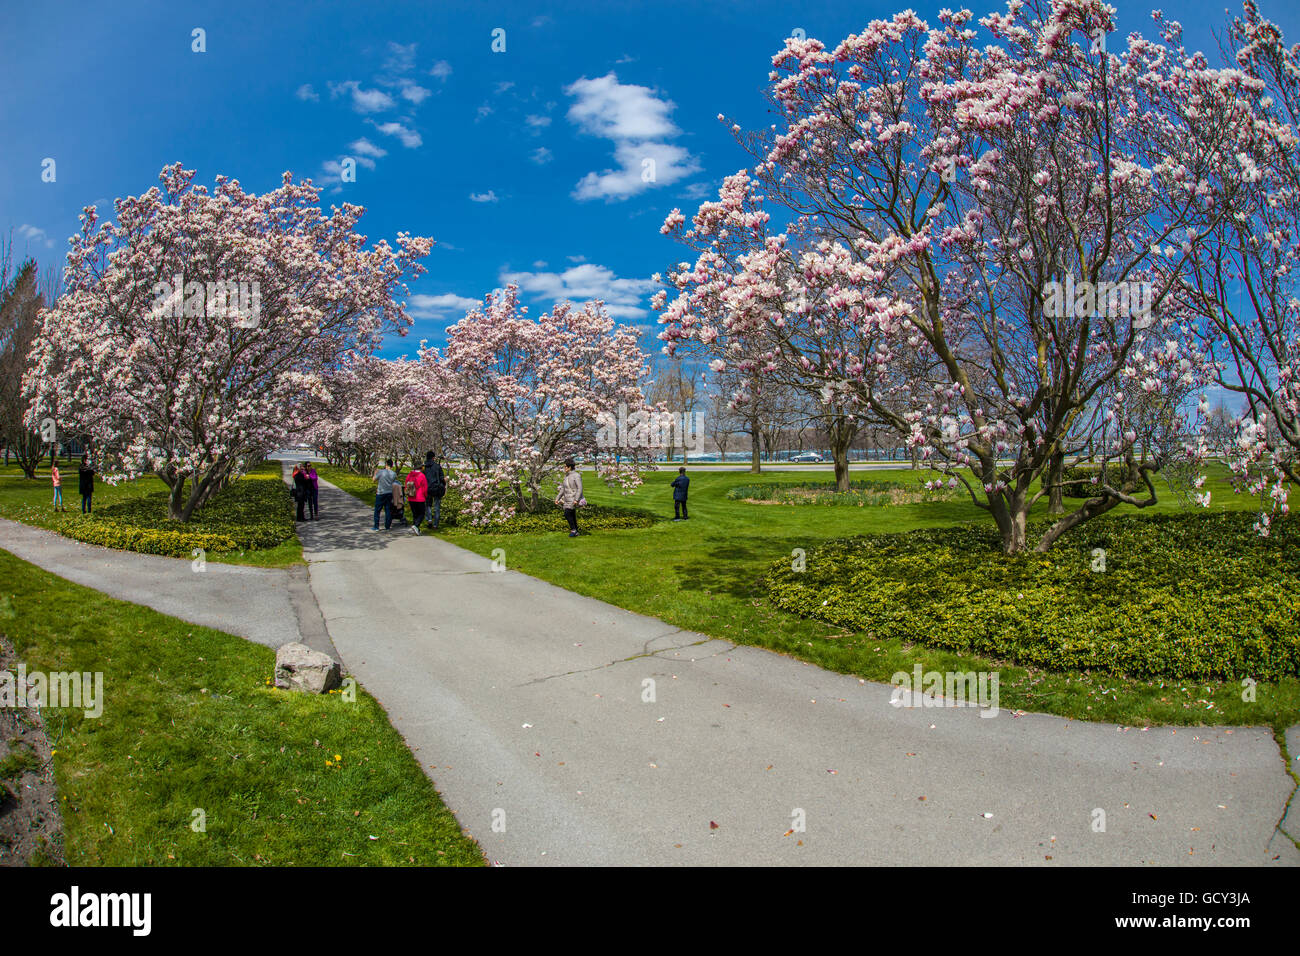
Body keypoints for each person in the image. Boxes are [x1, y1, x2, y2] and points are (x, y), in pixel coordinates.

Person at [556, 457, 584, 538]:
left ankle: (573, 530)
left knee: (567, 513)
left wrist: (576, 499)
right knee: (571, 514)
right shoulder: (566, 476)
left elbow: (580, 488)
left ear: (569, 467)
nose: (564, 468)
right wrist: (557, 498)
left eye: (565, 466)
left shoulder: (576, 476)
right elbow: (563, 488)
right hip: (567, 499)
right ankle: (576, 530)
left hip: (573, 498)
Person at [422, 451, 447, 530]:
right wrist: (444, 483)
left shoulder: (424, 467)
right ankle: (435, 524)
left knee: (428, 505)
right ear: (433, 458)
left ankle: (429, 519)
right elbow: (441, 478)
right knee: (436, 507)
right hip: (436, 488)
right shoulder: (437, 466)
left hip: (427, 488)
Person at [404, 461, 427, 535]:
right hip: (419, 498)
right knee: (422, 513)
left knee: (415, 514)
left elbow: (406, 485)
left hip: (411, 497)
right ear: (421, 467)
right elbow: (425, 488)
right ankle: (416, 525)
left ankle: (416, 528)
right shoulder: (422, 476)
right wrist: (425, 496)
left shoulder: (410, 475)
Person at [372, 459, 397, 531]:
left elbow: (374, 480)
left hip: (380, 493)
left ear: (386, 464)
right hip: (389, 493)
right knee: (388, 510)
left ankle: (376, 526)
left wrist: (375, 473)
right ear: (392, 465)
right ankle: (387, 526)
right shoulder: (394, 474)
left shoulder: (381, 472)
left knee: (377, 510)